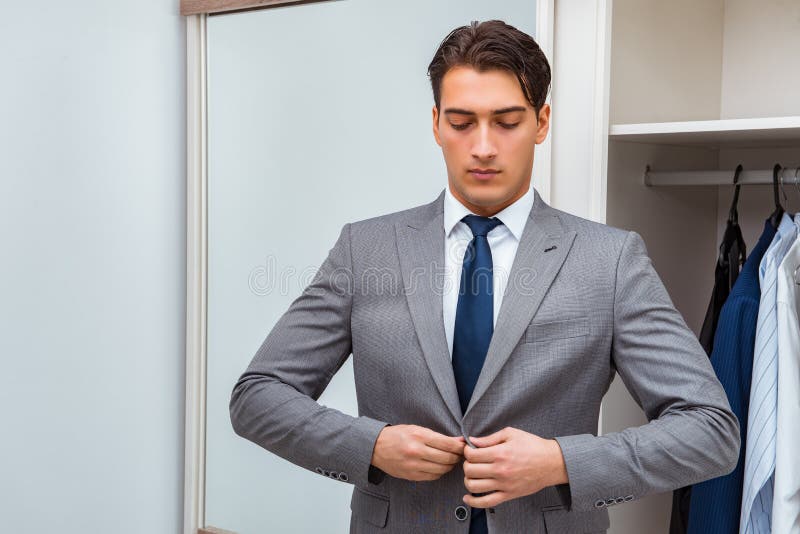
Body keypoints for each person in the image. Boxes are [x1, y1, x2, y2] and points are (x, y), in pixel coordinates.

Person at [229, 19, 740, 534]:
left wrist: (560, 463)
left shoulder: (610, 261)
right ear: (435, 124)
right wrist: (373, 446)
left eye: (506, 121)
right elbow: (258, 396)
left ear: (541, 122)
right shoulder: (366, 250)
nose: (483, 147)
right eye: (462, 122)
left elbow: (710, 432)